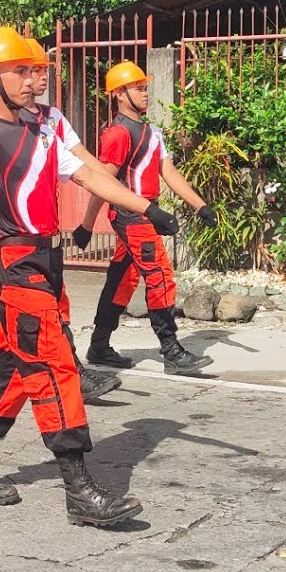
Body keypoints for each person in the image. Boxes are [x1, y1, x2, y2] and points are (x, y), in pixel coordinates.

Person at [0, 27, 179, 527]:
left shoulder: (42, 131)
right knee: (54, 367)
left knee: (8, 370)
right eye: (19, 72)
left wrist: (149, 208)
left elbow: (91, 176)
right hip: (16, 263)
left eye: (32, 71)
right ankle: (80, 489)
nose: (30, 80)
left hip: (48, 263)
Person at [74, 61, 217, 375]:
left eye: (145, 87)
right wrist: (86, 225)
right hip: (132, 216)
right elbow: (102, 182)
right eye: (138, 88)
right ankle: (172, 351)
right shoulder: (118, 134)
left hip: (146, 215)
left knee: (122, 279)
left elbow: (169, 172)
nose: (145, 93)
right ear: (119, 94)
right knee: (161, 277)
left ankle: (99, 345)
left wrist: (200, 205)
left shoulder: (151, 131)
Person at [20, 37, 123, 403]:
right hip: (16, 242)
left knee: (43, 316)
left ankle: (68, 374)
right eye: (32, 70)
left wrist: (119, 191)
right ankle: (72, 375)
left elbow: (86, 163)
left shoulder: (53, 120)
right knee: (39, 318)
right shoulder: (6, 127)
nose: (41, 78)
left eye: (43, 70)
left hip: (46, 236)